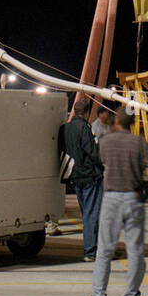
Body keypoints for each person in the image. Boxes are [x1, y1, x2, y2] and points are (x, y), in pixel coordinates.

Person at [88, 109, 148, 296]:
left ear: (116, 122)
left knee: (104, 250)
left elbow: (103, 161)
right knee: (135, 250)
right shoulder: (139, 142)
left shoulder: (106, 141)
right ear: (132, 124)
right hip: (133, 197)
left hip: (111, 197)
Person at [59, 97, 104, 262]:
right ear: (86, 112)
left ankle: (91, 248)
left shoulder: (65, 128)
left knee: (86, 212)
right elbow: (92, 151)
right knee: (91, 214)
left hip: (75, 175)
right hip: (90, 176)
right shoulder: (85, 128)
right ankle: (90, 251)